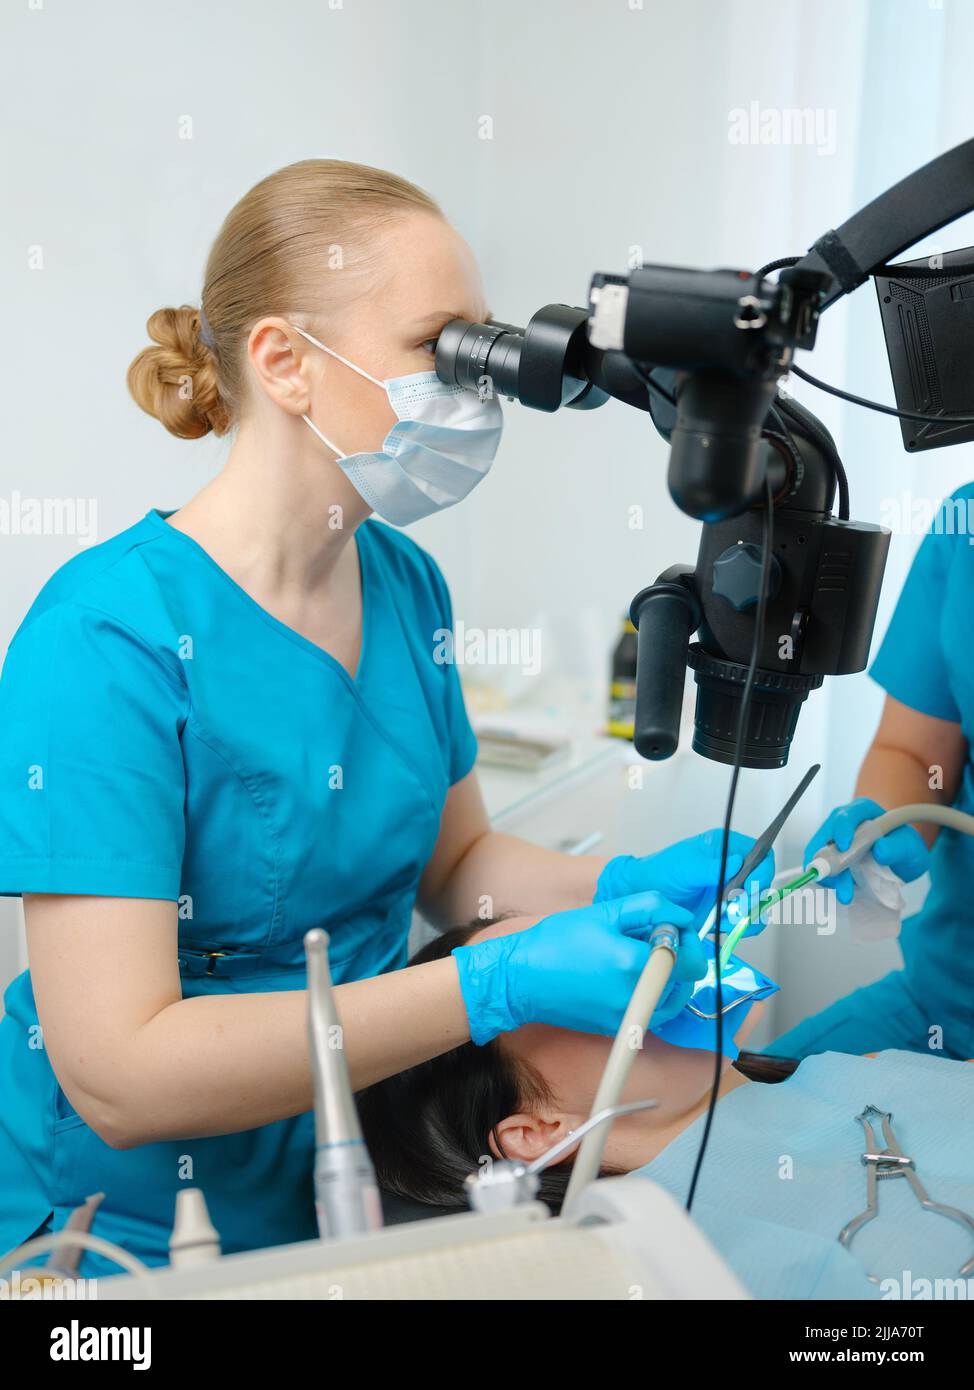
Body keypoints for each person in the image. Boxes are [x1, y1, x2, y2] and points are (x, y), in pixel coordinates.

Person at [0, 157, 773, 1272]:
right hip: (122, 1221)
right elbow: (122, 1073)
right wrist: (487, 984)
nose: (479, 385)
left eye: (481, 344)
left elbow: (454, 864)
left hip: (353, 1167)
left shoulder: (402, 584)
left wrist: (625, 886)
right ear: (284, 362)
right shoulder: (104, 637)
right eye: (440, 346)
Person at [358, 916, 974, 1300]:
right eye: (563, 989)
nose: (635, 971)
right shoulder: (666, 1250)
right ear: (541, 1131)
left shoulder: (852, 1070)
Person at [770, 484, 974, 1062]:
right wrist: (882, 826)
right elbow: (913, 752)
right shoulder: (967, 526)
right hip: (946, 1004)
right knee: (751, 1104)